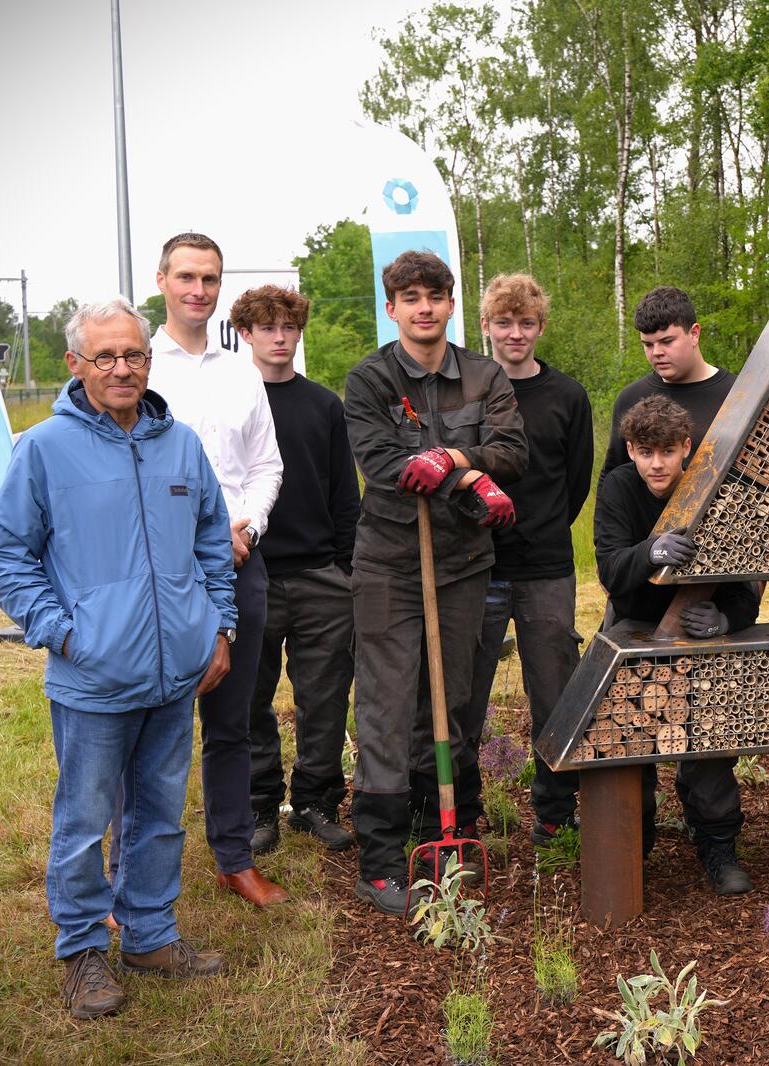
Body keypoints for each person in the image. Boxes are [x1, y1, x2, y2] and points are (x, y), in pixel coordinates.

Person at [0, 298, 235, 1018]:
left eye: (134, 355)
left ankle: (150, 935)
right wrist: (62, 633)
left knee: (160, 814)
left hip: (174, 675)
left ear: (148, 360)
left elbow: (213, 539)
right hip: (92, 678)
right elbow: (4, 552)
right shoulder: (44, 449)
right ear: (76, 363)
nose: (122, 368)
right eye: (106, 356)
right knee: (84, 823)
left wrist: (218, 627)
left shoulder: (180, 444)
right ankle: (83, 951)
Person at [343, 250, 527, 915]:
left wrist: (452, 456)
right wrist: (471, 478)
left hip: (462, 564)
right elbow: (381, 460)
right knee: (387, 705)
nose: (424, 308)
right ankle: (380, 856)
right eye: (411, 298)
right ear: (391, 308)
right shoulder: (370, 379)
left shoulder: (484, 375)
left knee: (451, 699)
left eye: (435, 296)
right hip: (390, 565)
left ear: (451, 304)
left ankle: (445, 826)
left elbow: (514, 450)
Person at [144, 233, 288, 907]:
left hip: (237, 560)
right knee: (148, 724)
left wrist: (246, 527)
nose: (198, 290)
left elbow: (266, 466)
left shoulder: (240, 372)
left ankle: (234, 857)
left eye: (209, 278)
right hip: (157, 569)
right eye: (186, 277)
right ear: (162, 281)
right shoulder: (138, 368)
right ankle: (136, 868)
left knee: (233, 720)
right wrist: (194, 536)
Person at [594, 396, 758, 894]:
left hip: (697, 630)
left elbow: (745, 585)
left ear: (687, 447)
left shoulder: (712, 487)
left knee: (710, 738)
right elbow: (611, 571)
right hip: (633, 625)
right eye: (646, 453)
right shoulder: (618, 487)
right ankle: (634, 841)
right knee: (628, 737)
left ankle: (717, 843)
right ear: (631, 450)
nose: (657, 464)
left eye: (667, 451)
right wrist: (652, 550)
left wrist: (726, 617)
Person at [464, 274, 593, 844]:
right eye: (504, 322)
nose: (514, 333)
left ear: (540, 327)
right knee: (466, 694)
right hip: (476, 566)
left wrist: (540, 527)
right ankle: (462, 812)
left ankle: (554, 812)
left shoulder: (567, 396)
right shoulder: (468, 391)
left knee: (555, 693)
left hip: (546, 568)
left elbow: (576, 481)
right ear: (486, 326)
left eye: (526, 323)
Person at [234, 286, 361, 855]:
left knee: (325, 698)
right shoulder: (233, 403)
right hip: (250, 571)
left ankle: (315, 801)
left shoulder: (324, 405)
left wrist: (346, 568)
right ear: (246, 334)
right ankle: (260, 805)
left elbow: (345, 493)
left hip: (321, 576)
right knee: (249, 698)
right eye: (267, 328)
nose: (279, 338)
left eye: (288, 327)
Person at [597, 287, 734, 485]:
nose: (656, 352)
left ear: (694, 334)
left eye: (667, 341)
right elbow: (612, 478)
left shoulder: (739, 395)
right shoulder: (632, 399)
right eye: (648, 345)